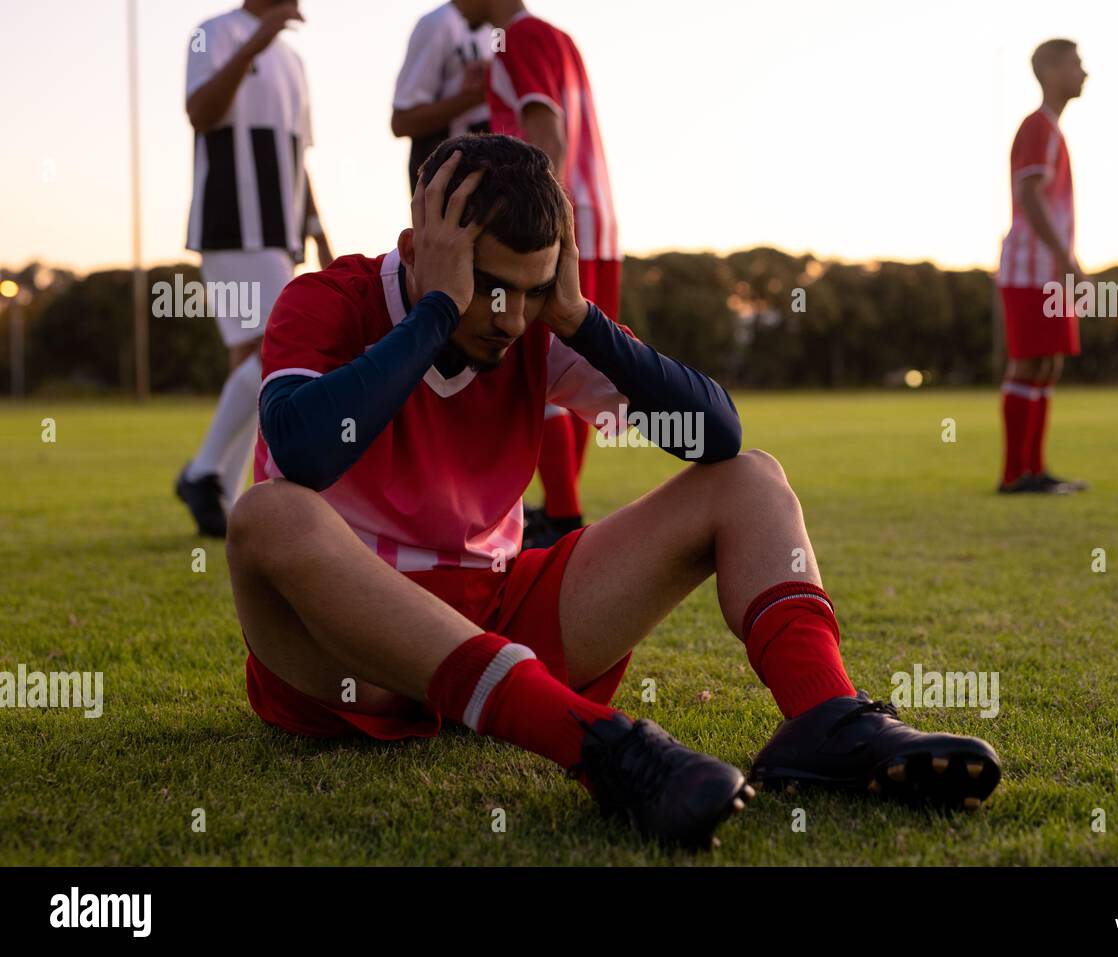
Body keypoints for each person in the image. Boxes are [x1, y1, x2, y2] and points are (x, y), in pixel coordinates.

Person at [227, 134, 1001, 849]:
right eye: (488, 286)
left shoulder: (533, 321)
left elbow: (714, 437)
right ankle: (593, 743)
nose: (508, 318)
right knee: (270, 511)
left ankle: (830, 721)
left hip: (494, 613)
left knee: (752, 476)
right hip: (345, 658)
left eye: (531, 291)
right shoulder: (328, 298)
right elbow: (306, 449)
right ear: (419, 247)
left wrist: (578, 317)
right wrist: (436, 309)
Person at [177, 0, 332, 536]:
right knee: (271, 351)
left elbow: (297, 157)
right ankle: (204, 474)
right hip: (231, 221)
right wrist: (254, 42)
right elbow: (200, 112)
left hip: (279, 231)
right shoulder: (214, 33)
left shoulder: (292, 59)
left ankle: (218, 484)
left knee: (251, 357)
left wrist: (316, 233)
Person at [474, 0, 621, 547]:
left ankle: (560, 519)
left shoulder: (516, 39)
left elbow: (548, 136)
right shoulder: (558, 38)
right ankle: (561, 511)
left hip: (557, 226)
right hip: (595, 221)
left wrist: (536, 231)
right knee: (574, 364)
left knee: (536, 370)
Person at [996, 38, 1089, 494]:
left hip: (1048, 270)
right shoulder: (1037, 126)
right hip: (1031, 268)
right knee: (1028, 361)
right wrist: (1064, 257)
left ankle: (1035, 470)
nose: (1084, 72)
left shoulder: (1052, 129)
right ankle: (1014, 475)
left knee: (1048, 363)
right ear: (1051, 70)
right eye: (1076, 64)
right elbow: (1030, 195)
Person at [391, 1, 494, 195]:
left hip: (497, 176)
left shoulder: (500, 29)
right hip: (451, 180)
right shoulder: (437, 23)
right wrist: (473, 97)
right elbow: (402, 122)